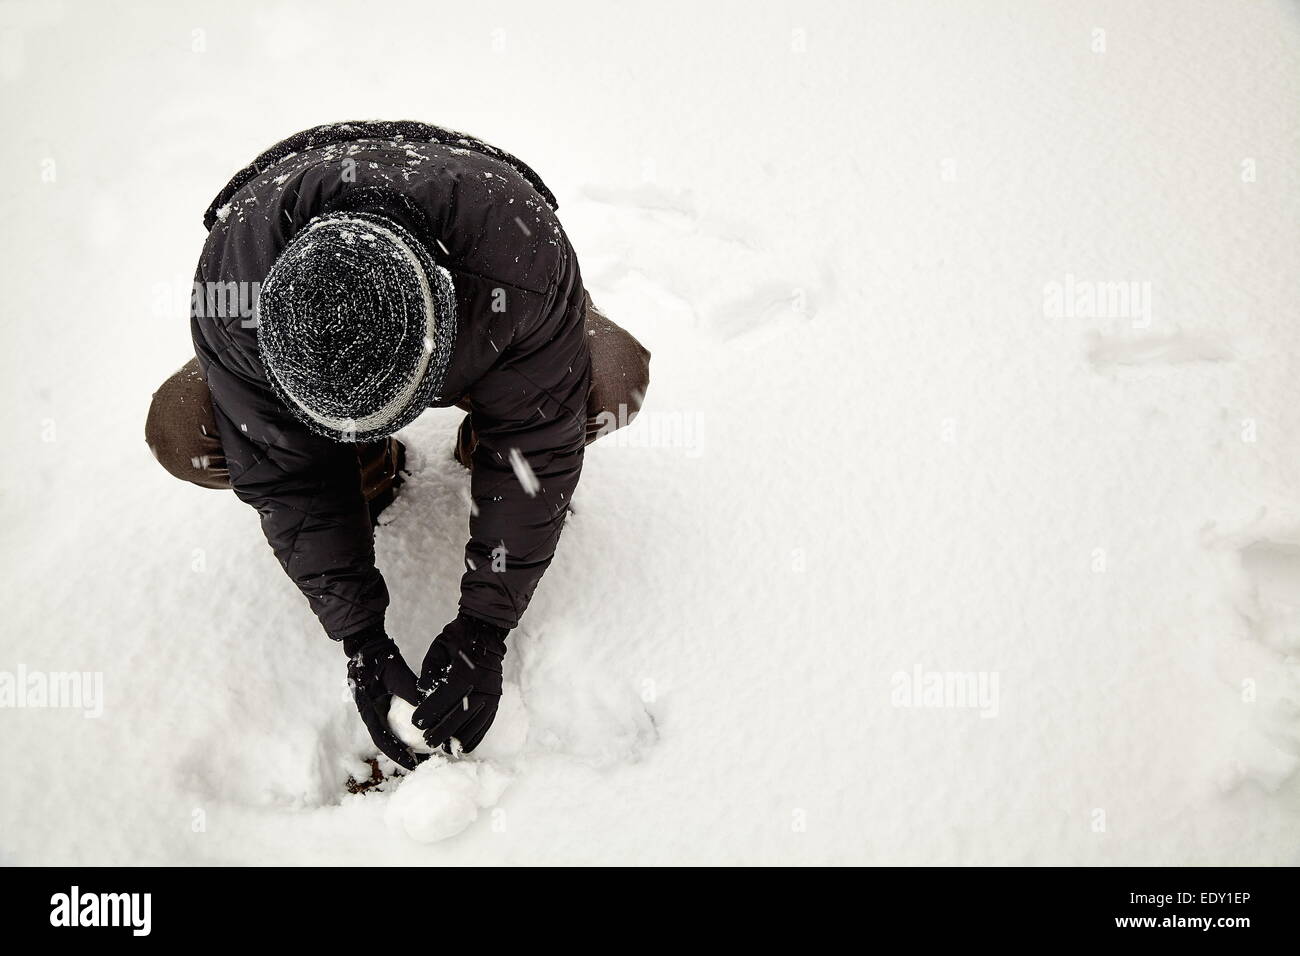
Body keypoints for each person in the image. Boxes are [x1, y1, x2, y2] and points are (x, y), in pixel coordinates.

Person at [145, 121, 650, 769]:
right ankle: (369, 474)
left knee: (609, 380)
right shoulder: (232, 285)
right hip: (292, 281)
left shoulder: (518, 255)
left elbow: (539, 441)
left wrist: (486, 628)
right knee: (183, 425)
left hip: (488, 285)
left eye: (378, 422)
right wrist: (359, 636)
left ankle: (479, 446)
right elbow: (285, 474)